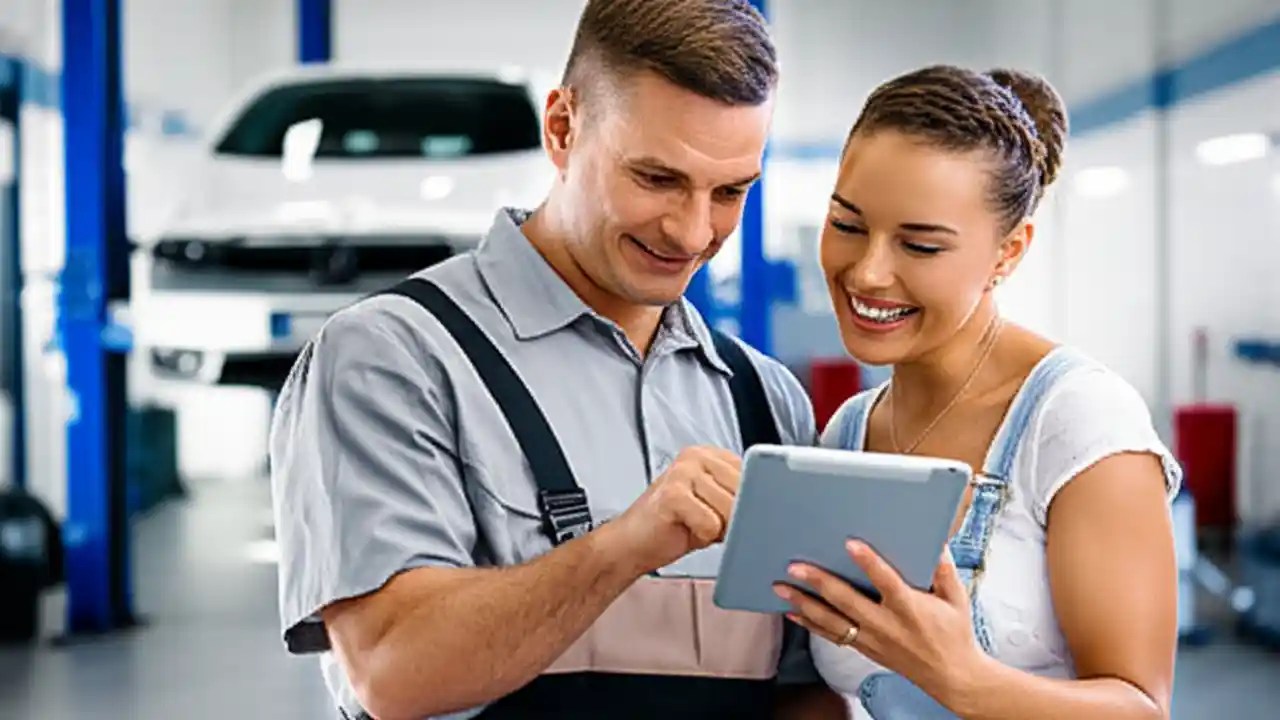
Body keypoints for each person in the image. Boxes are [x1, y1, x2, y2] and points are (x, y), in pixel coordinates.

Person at [267, 1, 848, 718]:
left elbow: (800, 689)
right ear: (563, 128)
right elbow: (392, 671)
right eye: (657, 178)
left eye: (730, 192)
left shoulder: (763, 398)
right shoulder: (394, 358)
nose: (693, 231)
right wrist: (623, 547)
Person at [775, 65, 1182, 719]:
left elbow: (1141, 708)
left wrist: (964, 681)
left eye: (920, 245)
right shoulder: (847, 434)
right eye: (848, 225)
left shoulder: (1077, 421)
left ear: (1008, 252)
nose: (868, 271)